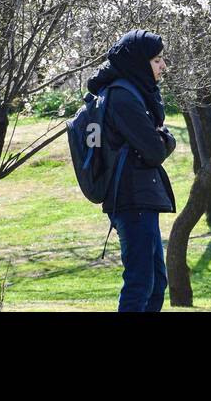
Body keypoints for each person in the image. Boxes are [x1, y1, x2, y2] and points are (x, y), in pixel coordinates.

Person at [86, 29, 177, 312]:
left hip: (140, 199)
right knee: (141, 282)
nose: (163, 66)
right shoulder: (123, 97)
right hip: (131, 200)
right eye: (157, 60)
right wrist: (167, 138)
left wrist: (159, 137)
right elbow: (154, 150)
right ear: (139, 62)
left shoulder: (135, 93)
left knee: (155, 282)